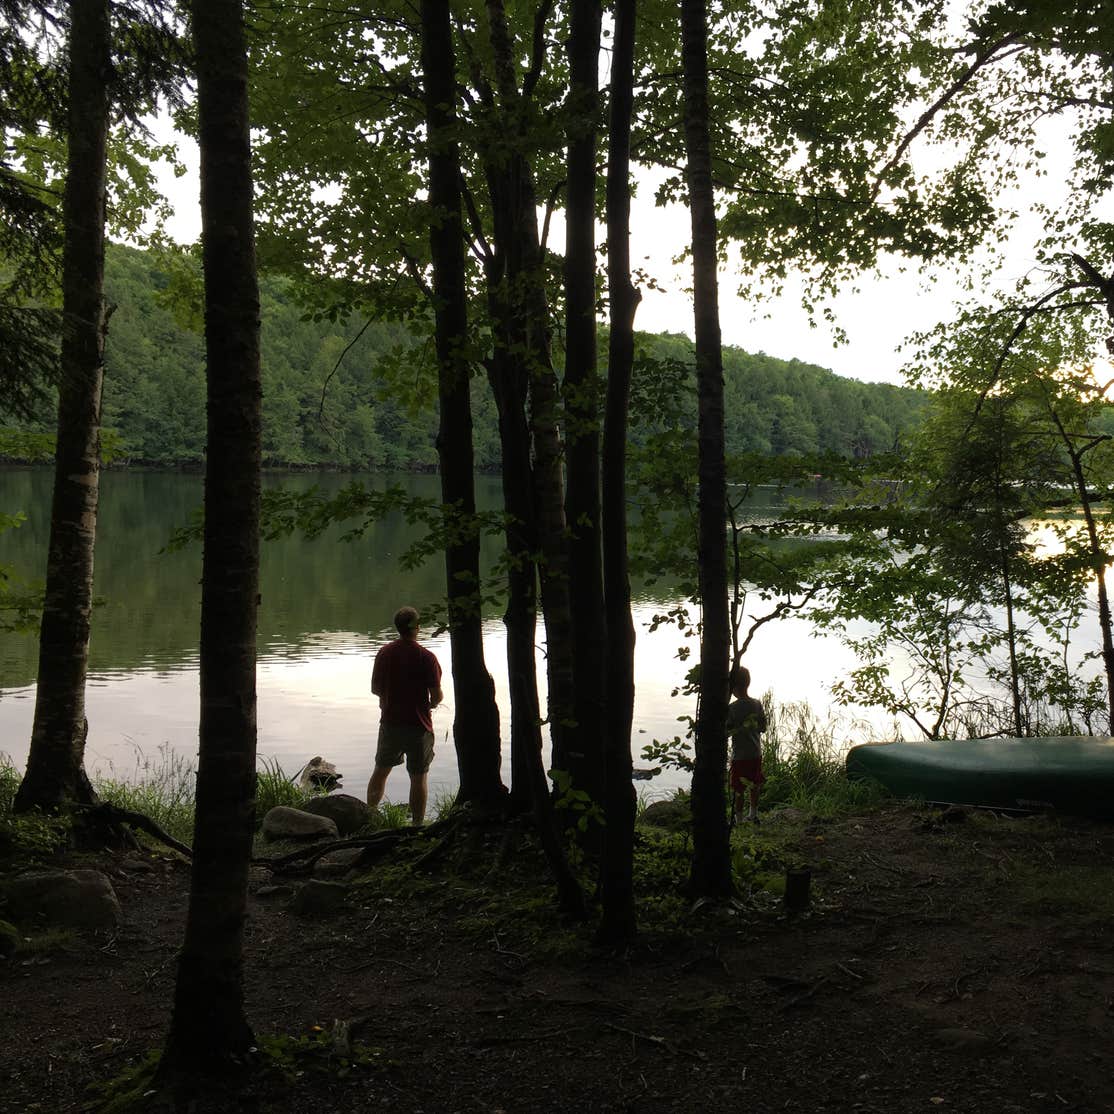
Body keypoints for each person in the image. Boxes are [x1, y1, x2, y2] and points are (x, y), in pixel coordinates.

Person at [367, 606, 443, 826]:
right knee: (418, 777)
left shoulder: (384, 653)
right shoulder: (427, 657)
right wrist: (433, 703)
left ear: (398, 628)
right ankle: (417, 826)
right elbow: (436, 695)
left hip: (390, 722)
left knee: (380, 771)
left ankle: (369, 817)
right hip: (419, 725)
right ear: (417, 627)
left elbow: (375, 689)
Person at [728, 665, 767, 825]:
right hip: (755, 753)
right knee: (754, 784)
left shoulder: (732, 708)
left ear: (733, 687)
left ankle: (738, 820)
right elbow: (763, 727)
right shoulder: (757, 704)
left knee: (738, 788)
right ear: (748, 683)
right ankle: (753, 814)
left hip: (740, 756)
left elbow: (727, 730)